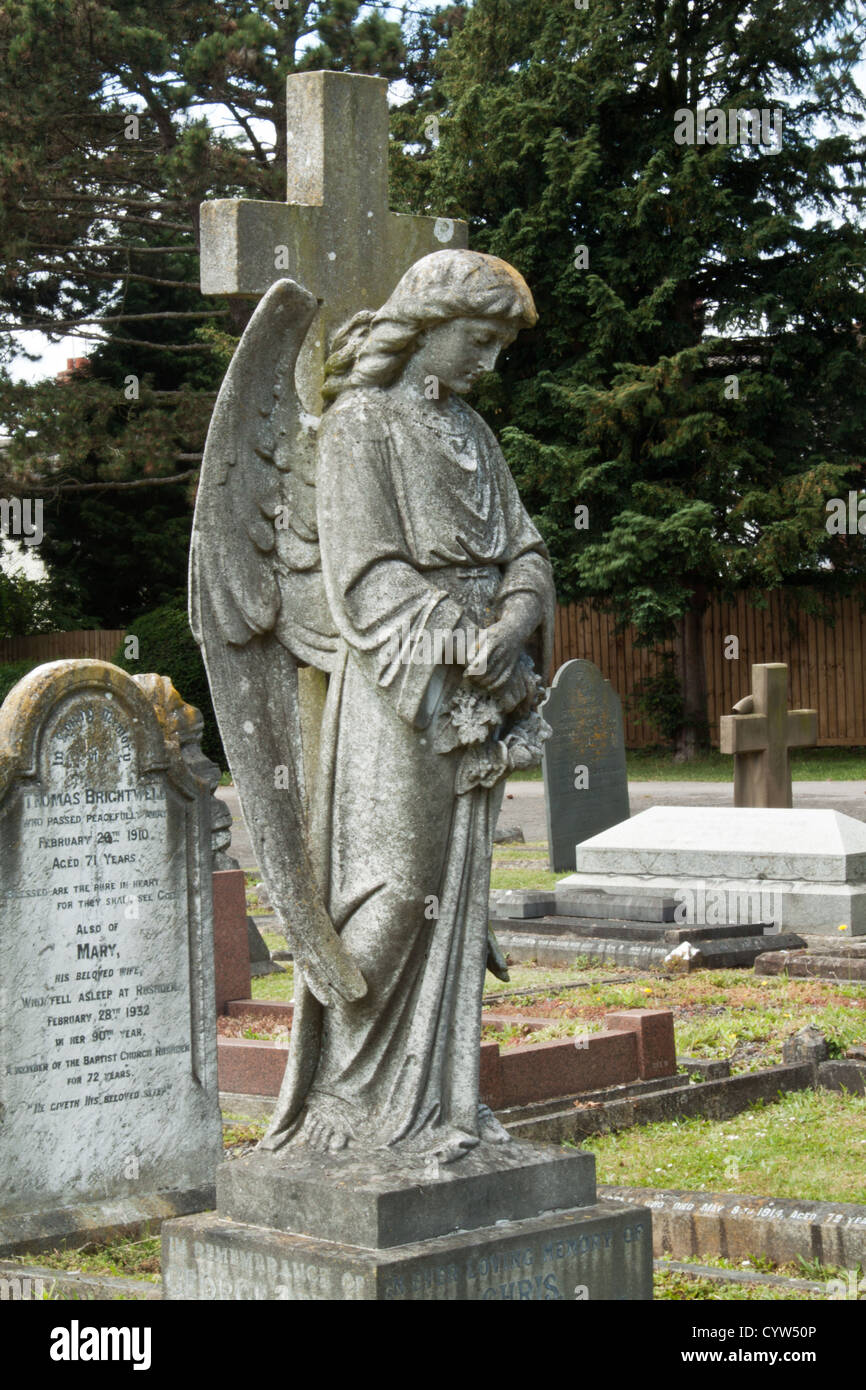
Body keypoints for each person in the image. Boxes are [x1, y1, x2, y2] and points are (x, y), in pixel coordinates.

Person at [257, 249, 556, 1164]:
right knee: (395, 889)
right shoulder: (360, 427)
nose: (488, 363)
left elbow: (528, 552)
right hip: (400, 694)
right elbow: (366, 574)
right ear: (427, 326)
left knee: (459, 896)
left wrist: (510, 623)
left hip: (477, 681)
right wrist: (464, 651)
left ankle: (441, 1108)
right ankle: (346, 1105)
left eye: (503, 345)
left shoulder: (473, 433)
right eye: (479, 338)